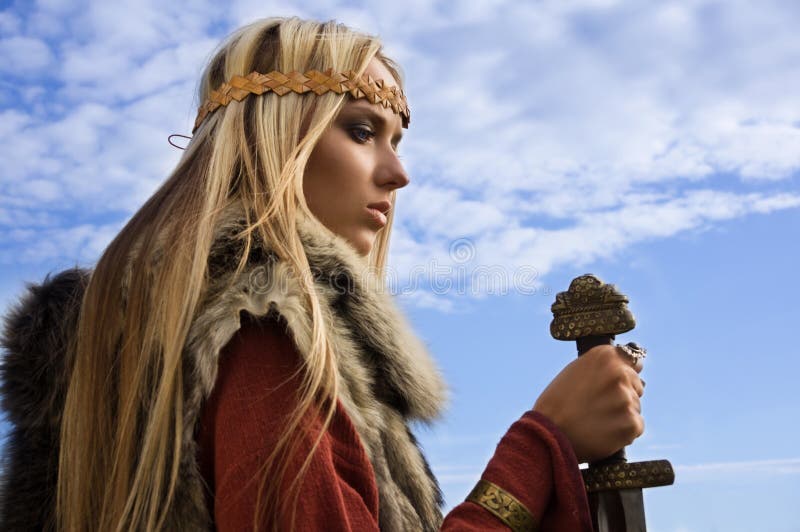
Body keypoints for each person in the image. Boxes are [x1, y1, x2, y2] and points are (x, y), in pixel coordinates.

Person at [0, 16, 645, 532]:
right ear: (271, 138)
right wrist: (541, 444)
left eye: (397, 141)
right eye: (363, 131)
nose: (399, 174)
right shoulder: (264, 340)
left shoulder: (132, 348)